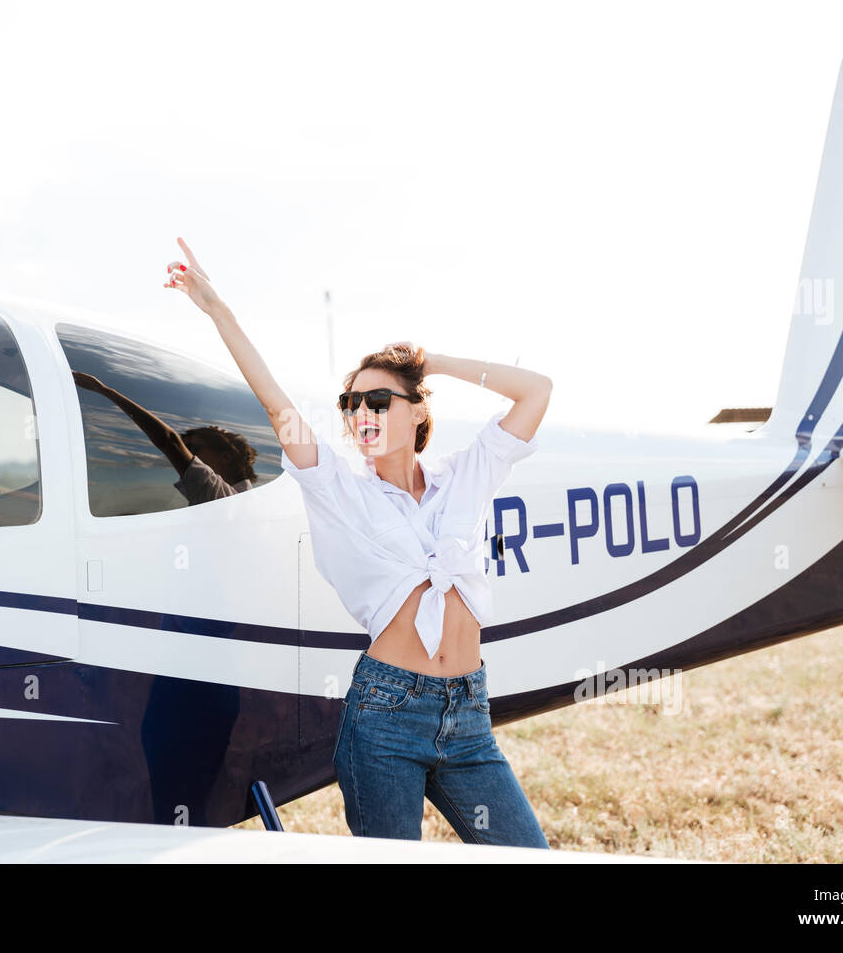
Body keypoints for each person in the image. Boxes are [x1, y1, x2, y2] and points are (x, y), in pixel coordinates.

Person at [164, 237, 553, 847]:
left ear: (419, 411)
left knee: (527, 855)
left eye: (378, 400)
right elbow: (277, 406)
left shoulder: (465, 476)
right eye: (351, 404)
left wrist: (437, 363)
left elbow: (536, 390)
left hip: (469, 716)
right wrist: (219, 311)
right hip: (386, 717)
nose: (361, 413)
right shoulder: (340, 489)